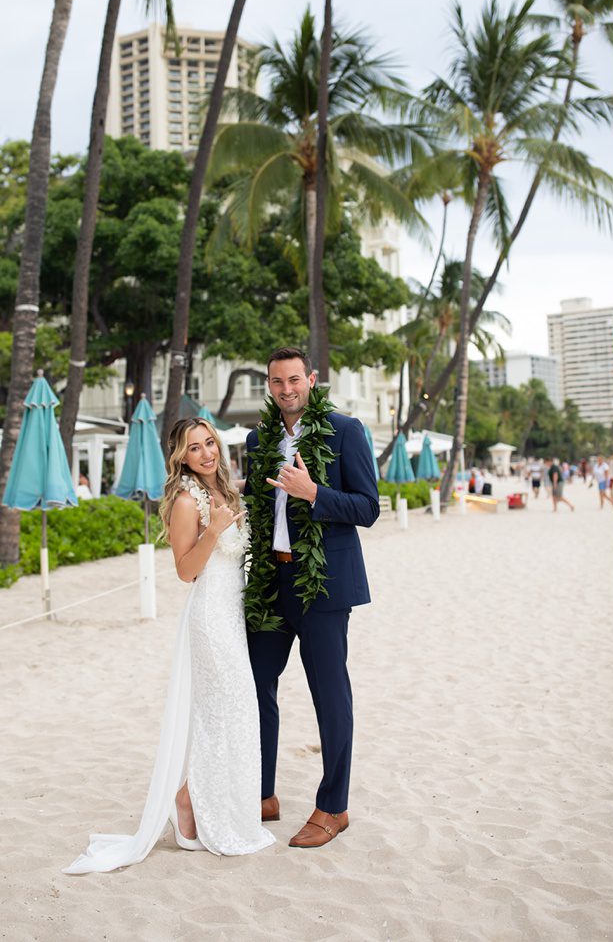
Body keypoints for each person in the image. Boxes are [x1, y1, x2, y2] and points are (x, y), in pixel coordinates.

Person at [64, 418, 274, 873]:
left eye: (210, 443)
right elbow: (186, 571)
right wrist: (214, 532)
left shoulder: (224, 491)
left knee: (232, 716)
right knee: (228, 713)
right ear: (180, 456)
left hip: (233, 616)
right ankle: (185, 803)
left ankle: (201, 804)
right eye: (194, 448)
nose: (206, 453)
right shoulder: (185, 499)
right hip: (210, 619)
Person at [243, 347, 380, 849]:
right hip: (271, 582)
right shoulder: (259, 440)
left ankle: (333, 807)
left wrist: (314, 492)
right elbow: (260, 508)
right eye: (277, 382)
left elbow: (368, 508)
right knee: (255, 683)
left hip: (322, 586)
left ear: (312, 380)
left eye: (295, 380)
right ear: (269, 386)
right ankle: (261, 793)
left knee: (329, 693)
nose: (286, 390)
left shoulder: (346, 431)